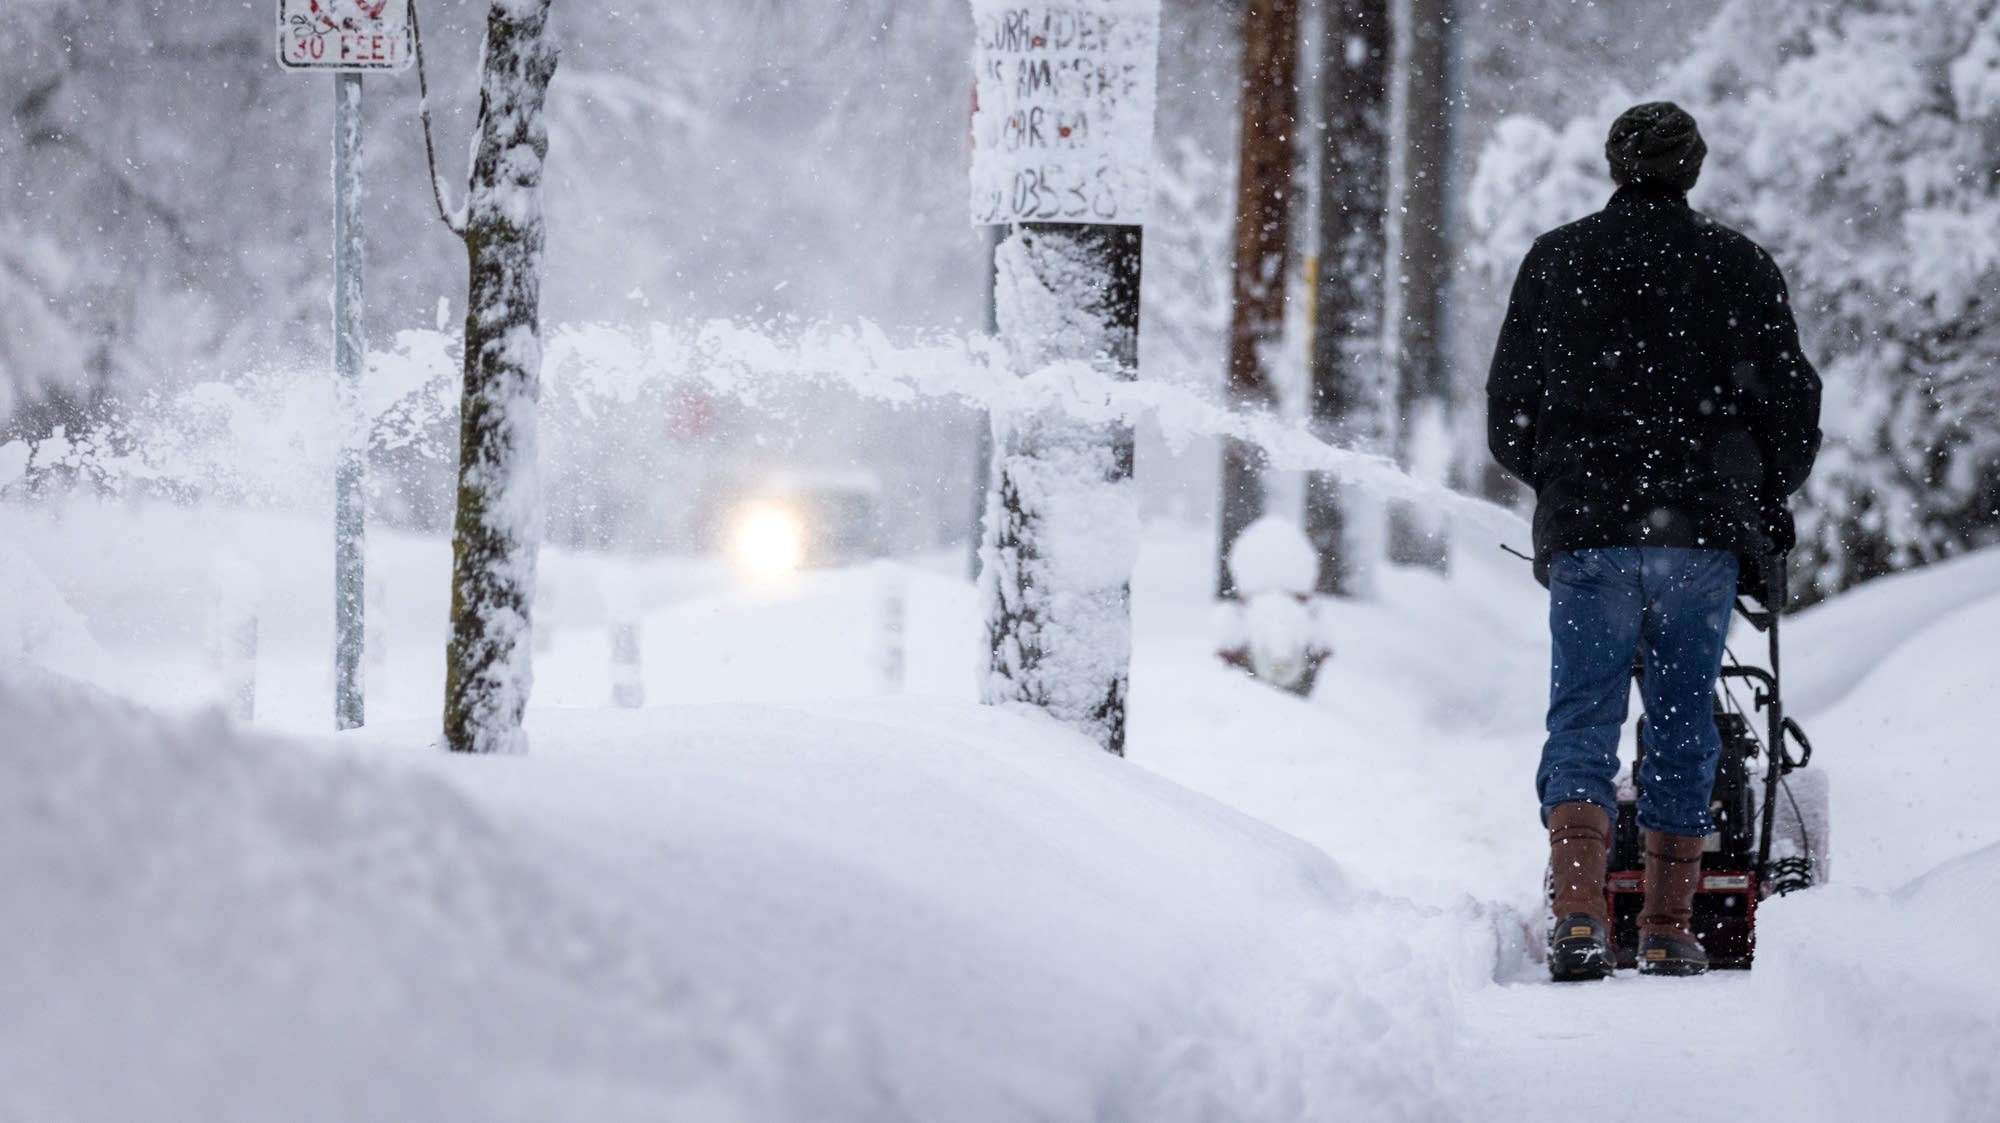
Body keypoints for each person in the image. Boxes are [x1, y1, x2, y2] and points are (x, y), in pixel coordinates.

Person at [1486, 102, 1822, 980]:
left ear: (1614, 163)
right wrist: (1754, 488)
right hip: (1701, 534)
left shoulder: (1559, 261)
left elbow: (1508, 413)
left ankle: (1580, 920)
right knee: (1682, 725)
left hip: (1593, 535)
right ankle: (1671, 926)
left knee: (1584, 721)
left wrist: (1565, 482)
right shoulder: (1740, 266)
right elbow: (1792, 408)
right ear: (1693, 167)